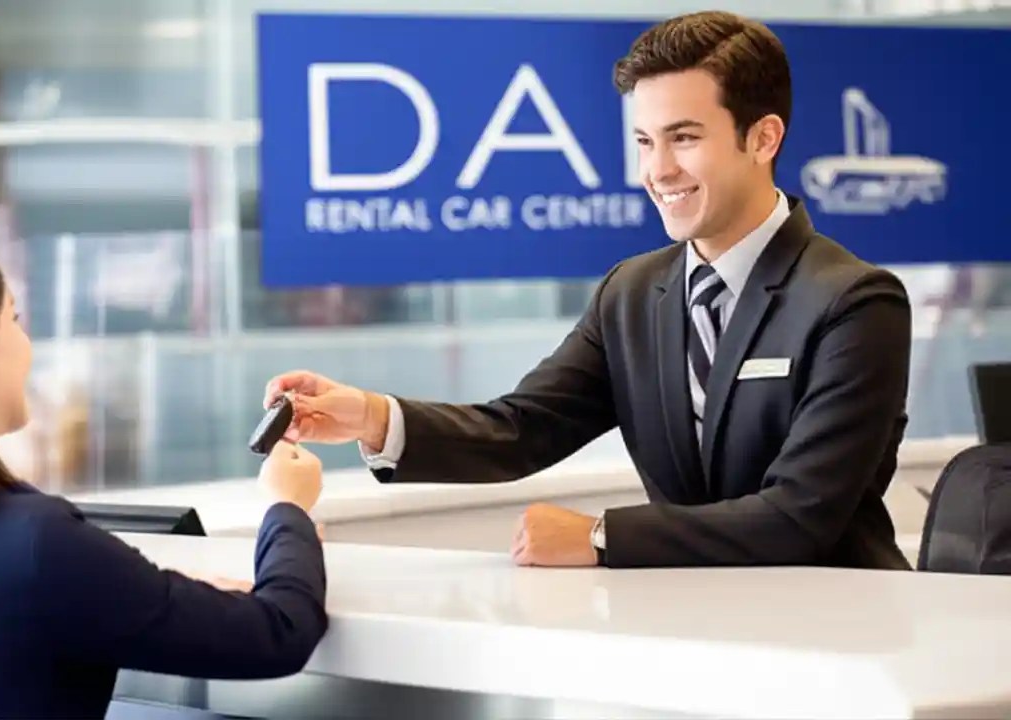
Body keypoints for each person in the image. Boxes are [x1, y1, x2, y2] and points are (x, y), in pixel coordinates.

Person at [264, 11, 913, 571]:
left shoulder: (854, 303)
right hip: (696, 631)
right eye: (643, 141)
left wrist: (602, 536)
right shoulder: (632, 293)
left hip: (843, 630)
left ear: (763, 138)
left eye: (684, 138)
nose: (658, 170)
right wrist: (370, 415)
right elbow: (522, 430)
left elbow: (800, 515)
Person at [0, 227, 328, 720]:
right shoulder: (33, 547)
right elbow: (279, 633)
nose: (27, 346)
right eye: (14, 321)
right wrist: (289, 508)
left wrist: (147, 593)